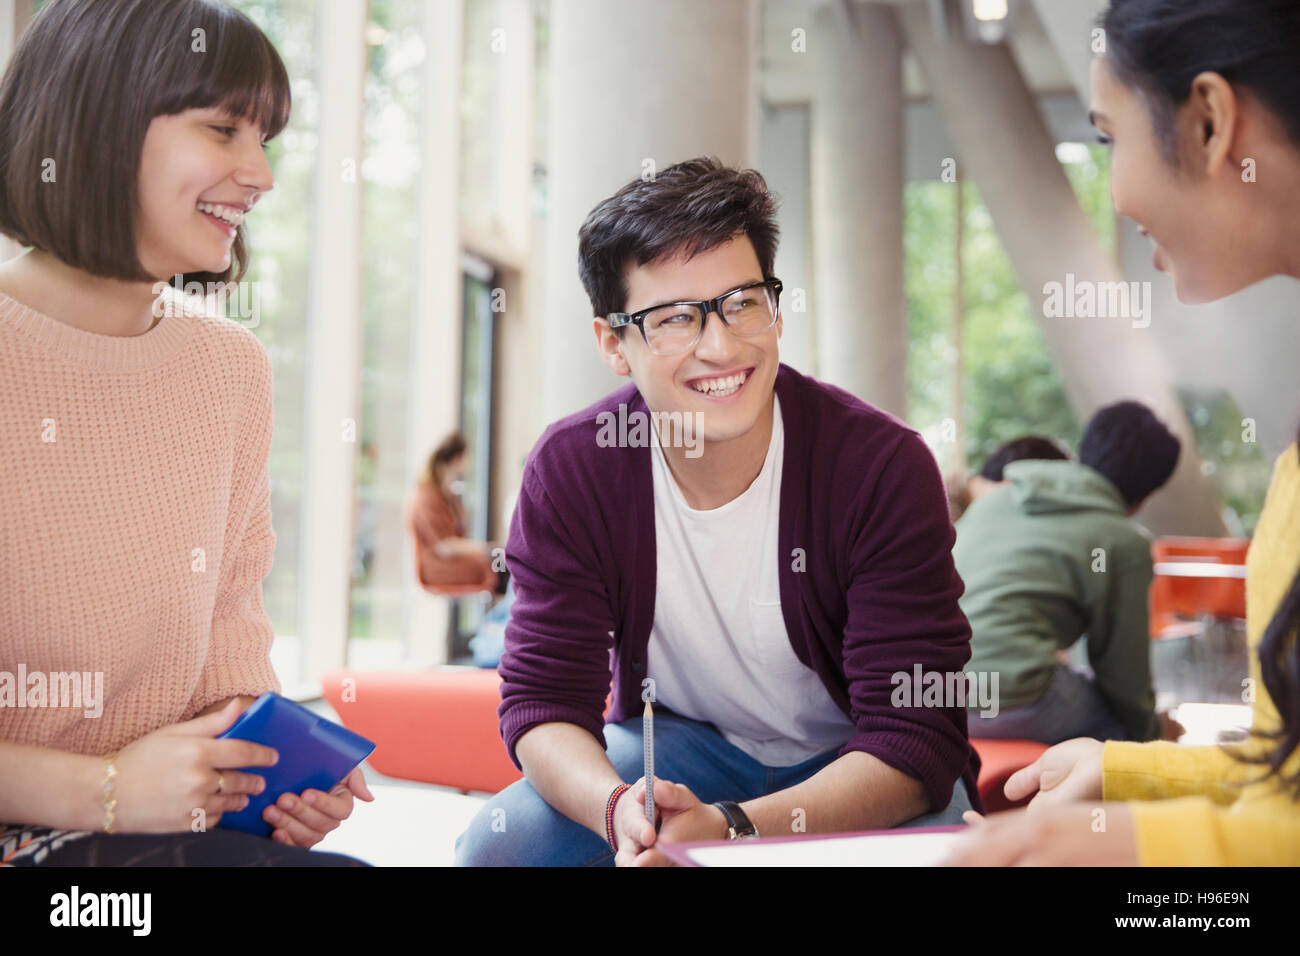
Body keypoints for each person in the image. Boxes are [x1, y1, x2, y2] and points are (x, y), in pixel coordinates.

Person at [455, 157, 981, 867]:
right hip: (682, 752)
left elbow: (916, 734)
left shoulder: (881, 467)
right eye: (675, 318)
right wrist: (621, 815)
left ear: (775, 306)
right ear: (613, 342)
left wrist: (735, 830)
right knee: (505, 844)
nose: (721, 346)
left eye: (743, 302)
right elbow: (543, 702)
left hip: (858, 764)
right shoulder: (576, 468)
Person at [0, 0, 370, 866]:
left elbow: (232, 652)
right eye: (224, 129)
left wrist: (264, 770)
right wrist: (108, 791)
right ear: (96, 124)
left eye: (266, 139)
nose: (262, 173)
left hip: (163, 841)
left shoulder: (228, 370)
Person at [947, 0, 1300, 865]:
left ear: (1211, 121)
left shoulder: (1002, 500)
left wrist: (1131, 854)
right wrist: (1127, 773)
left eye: (1107, 137)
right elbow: (1279, 790)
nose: (1113, 191)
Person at [955, 405, 1182, 744]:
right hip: (1011, 696)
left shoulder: (995, 501)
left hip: (929, 695)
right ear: (1146, 495)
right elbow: (1123, 673)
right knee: (1122, 731)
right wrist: (1150, 736)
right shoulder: (1122, 542)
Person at [407, 431, 506, 597]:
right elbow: (444, 546)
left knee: (507, 564)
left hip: (456, 562)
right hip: (441, 567)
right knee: (505, 567)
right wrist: (487, 549)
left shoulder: (446, 494)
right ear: (458, 458)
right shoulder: (427, 497)